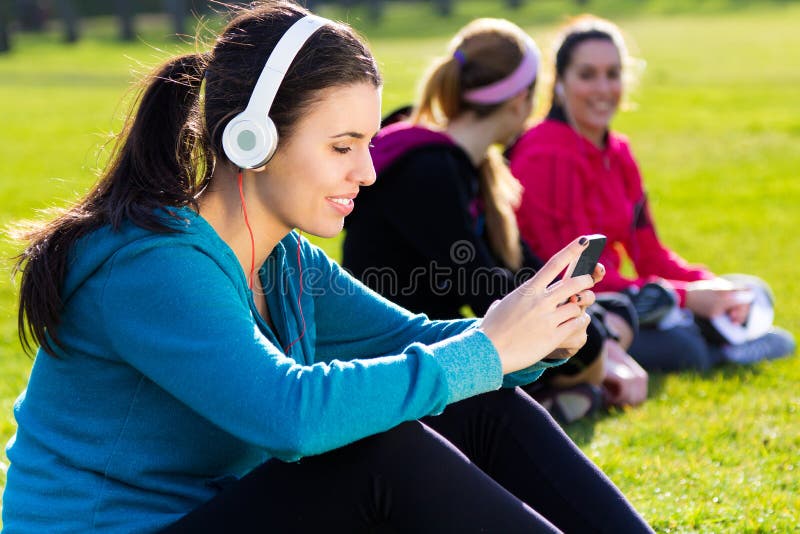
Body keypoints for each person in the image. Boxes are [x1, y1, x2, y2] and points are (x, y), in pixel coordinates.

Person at [2, 2, 654, 532]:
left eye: (368, 144)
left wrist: (528, 342)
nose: (367, 172)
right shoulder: (150, 269)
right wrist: (489, 348)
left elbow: (414, 344)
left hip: (211, 517)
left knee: (483, 402)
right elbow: (292, 415)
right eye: (342, 146)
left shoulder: (284, 261)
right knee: (380, 456)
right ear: (250, 139)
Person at [343, 17, 648, 421]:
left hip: (440, 342)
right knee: (586, 337)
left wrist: (586, 321)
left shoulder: (466, 163)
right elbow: (485, 288)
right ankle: (564, 389)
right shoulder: (428, 172)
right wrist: (588, 342)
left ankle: (568, 387)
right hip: (403, 360)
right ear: (520, 99)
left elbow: (520, 263)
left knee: (612, 314)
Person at [508, 14, 795, 372]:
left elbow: (651, 254)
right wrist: (684, 297)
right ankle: (720, 346)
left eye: (612, 74)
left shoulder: (619, 152)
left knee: (749, 288)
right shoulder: (544, 154)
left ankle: (719, 325)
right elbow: (573, 276)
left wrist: (712, 287)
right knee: (684, 347)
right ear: (560, 82)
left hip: (632, 298)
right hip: (580, 309)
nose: (602, 88)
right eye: (587, 75)